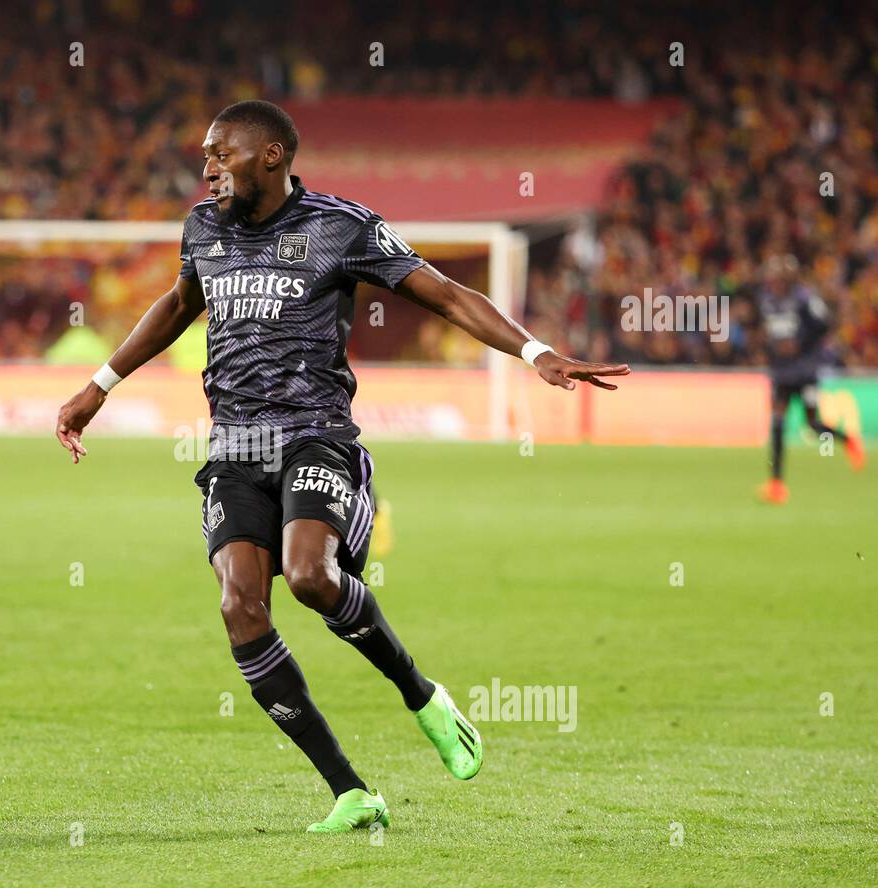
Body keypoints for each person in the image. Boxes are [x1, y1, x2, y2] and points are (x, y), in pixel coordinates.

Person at [56, 101, 630, 832]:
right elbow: (177, 304)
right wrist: (96, 387)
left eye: (220, 154)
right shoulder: (203, 227)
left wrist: (535, 352)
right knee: (239, 606)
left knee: (309, 576)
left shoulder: (342, 226)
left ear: (271, 156)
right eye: (204, 155)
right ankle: (350, 791)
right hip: (234, 447)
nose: (207, 168)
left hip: (316, 436)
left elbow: (446, 294)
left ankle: (421, 693)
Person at [757, 254, 864, 504]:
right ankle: (776, 483)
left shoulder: (804, 299)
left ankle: (847, 440)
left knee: (813, 425)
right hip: (781, 372)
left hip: (804, 371)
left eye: (779, 278)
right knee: (777, 423)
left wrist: (801, 345)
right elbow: (770, 332)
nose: (774, 283)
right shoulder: (768, 300)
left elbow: (824, 323)